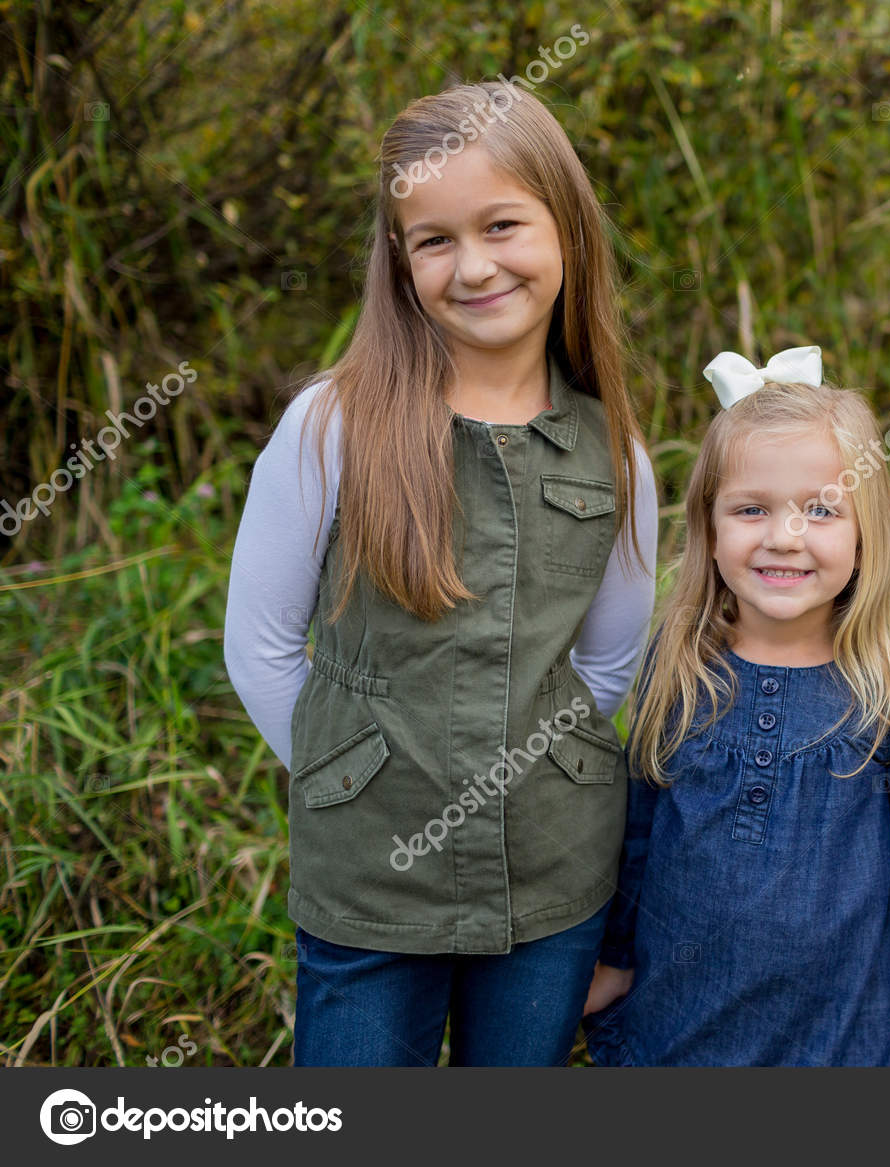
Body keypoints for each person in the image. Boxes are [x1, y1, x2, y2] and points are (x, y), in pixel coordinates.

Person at [222, 79, 658, 1066]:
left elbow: (604, 668)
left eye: (503, 225)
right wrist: (353, 777)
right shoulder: (331, 429)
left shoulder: (613, 450)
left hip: (551, 871)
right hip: (370, 879)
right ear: (398, 259)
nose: (474, 267)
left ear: (566, 230)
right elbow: (258, 648)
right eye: (434, 240)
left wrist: (527, 775)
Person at [581, 347, 890, 1065]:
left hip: (844, 1043)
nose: (784, 537)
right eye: (751, 508)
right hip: (680, 1037)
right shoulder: (681, 667)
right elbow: (636, 836)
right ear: (710, 525)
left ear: (864, 531)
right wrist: (615, 961)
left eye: (821, 510)